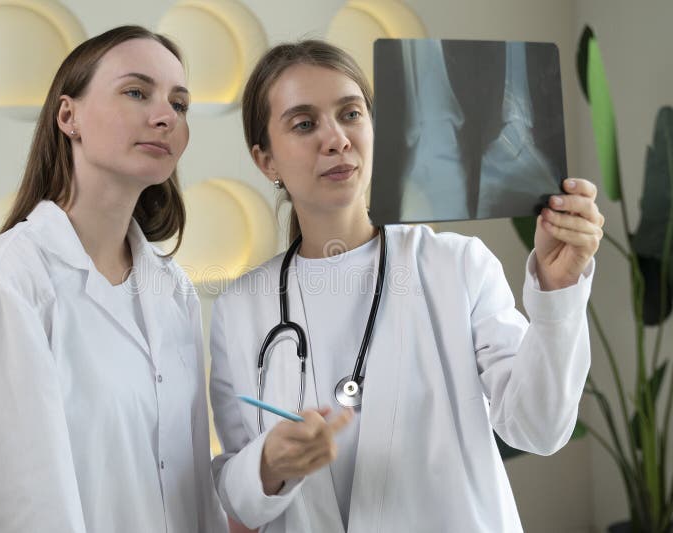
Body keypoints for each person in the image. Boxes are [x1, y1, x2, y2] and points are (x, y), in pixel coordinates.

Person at [209, 40, 603, 532]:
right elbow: (235, 500)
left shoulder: (455, 265)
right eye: (304, 123)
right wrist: (268, 464)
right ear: (265, 160)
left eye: (350, 114)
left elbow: (539, 427)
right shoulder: (240, 309)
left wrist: (557, 293)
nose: (336, 139)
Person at [0, 25, 226, 532]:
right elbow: (20, 510)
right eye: (137, 92)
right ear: (68, 117)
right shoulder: (6, 288)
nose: (165, 116)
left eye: (179, 104)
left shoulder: (172, 287)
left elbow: (194, 490)